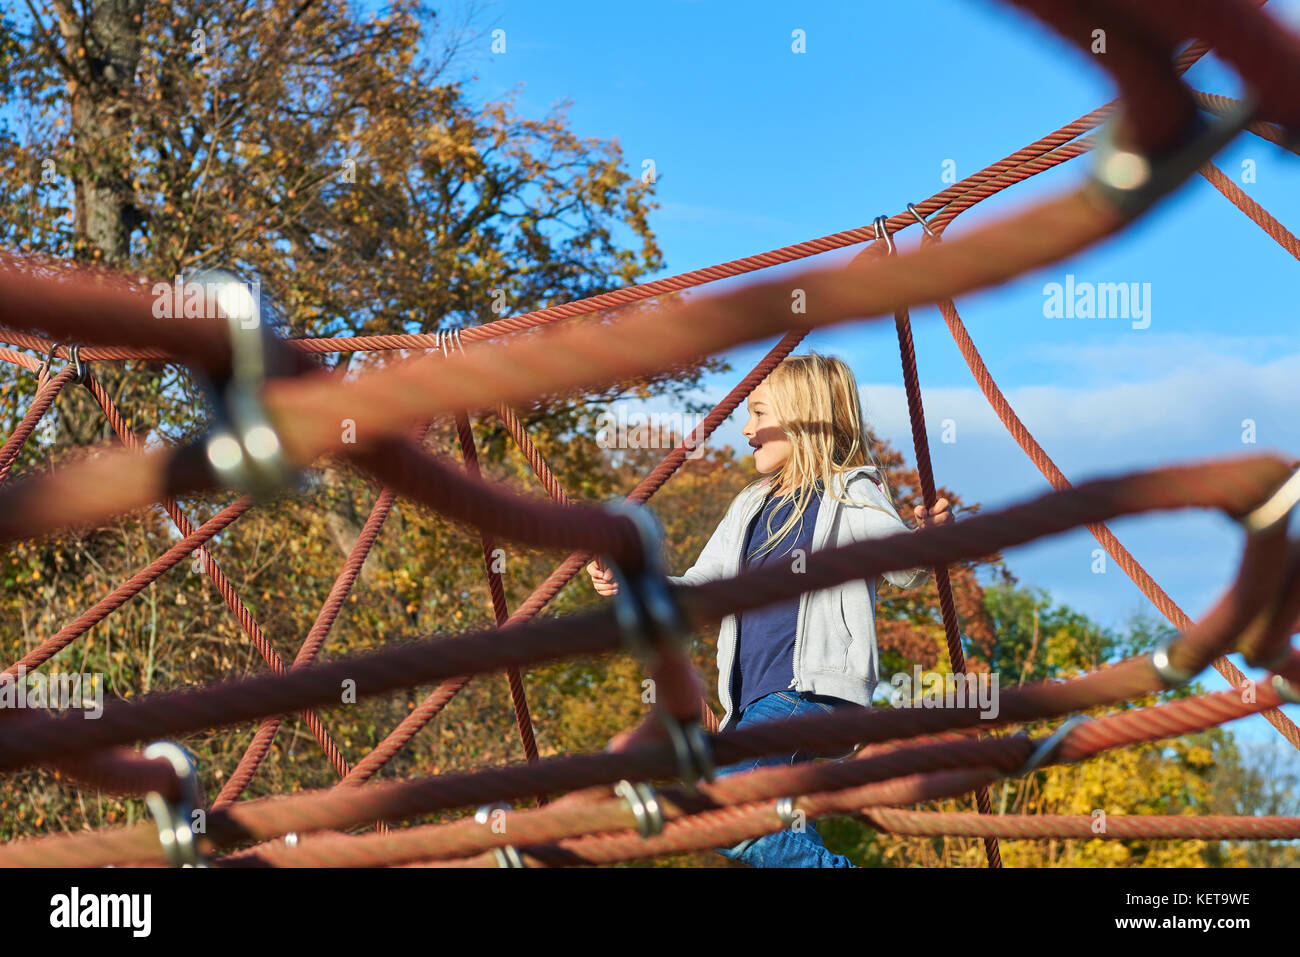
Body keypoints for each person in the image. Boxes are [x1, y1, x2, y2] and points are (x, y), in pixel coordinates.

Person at [587, 352, 950, 867]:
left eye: (758, 413)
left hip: (810, 694)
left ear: (802, 415)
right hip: (751, 706)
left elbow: (905, 567)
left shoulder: (849, 492)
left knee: (719, 814)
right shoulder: (751, 504)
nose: (745, 430)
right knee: (762, 827)